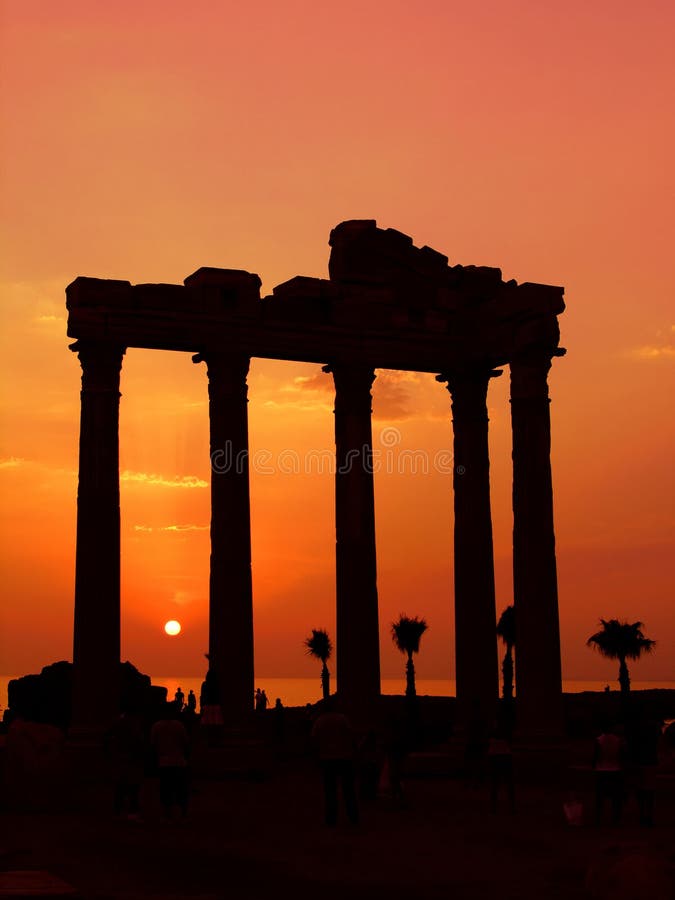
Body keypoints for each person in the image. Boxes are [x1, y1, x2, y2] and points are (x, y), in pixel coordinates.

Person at [311, 697, 359, 826]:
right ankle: (353, 817)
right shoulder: (342, 719)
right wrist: (355, 752)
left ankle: (331, 819)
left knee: (330, 791)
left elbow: (314, 741)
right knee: (348, 790)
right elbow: (351, 736)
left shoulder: (319, 721)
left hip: (327, 759)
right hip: (345, 758)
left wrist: (316, 758)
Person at [150, 701, 190, 822]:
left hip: (163, 762)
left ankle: (166, 813)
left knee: (165, 789)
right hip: (179, 761)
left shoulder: (157, 726)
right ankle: (182, 813)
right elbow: (186, 743)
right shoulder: (179, 725)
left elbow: (152, 744)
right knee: (180, 788)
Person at [104, 711, 145, 821]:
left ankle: (119, 810)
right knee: (131, 787)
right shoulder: (134, 731)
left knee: (120, 787)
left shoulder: (116, 731)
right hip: (130, 761)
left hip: (121, 761)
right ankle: (131, 810)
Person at [592, 720, 626, 825]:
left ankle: (598, 818)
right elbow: (621, 756)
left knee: (600, 797)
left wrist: (594, 765)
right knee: (616, 797)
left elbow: (596, 756)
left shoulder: (598, 740)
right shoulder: (618, 740)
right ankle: (615, 818)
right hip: (615, 770)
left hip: (601, 770)